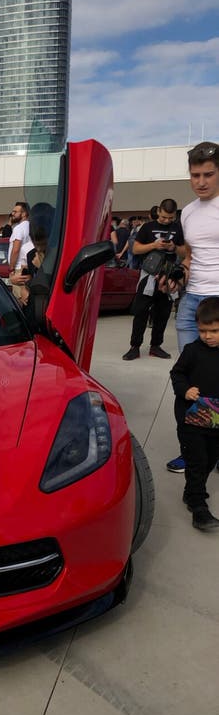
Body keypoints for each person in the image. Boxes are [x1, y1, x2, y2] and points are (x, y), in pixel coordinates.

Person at [167, 141, 219, 473]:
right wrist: (178, 275)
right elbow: (189, 256)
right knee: (190, 381)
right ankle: (192, 450)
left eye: (208, 175)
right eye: (195, 175)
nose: (200, 182)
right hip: (191, 303)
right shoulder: (187, 212)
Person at [169, 297, 219, 530]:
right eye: (202, 331)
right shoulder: (192, 351)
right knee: (197, 460)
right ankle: (198, 506)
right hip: (191, 418)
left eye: (214, 331)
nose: (207, 336)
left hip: (215, 420)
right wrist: (185, 389)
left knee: (210, 459)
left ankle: (192, 491)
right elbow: (177, 373)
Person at [122, 198, 184, 361]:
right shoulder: (147, 227)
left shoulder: (177, 228)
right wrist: (154, 245)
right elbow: (135, 249)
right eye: (163, 217)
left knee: (163, 313)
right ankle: (135, 346)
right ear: (158, 211)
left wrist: (174, 247)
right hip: (148, 274)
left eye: (170, 218)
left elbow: (184, 252)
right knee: (140, 311)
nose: (167, 221)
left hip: (168, 275)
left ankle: (156, 346)